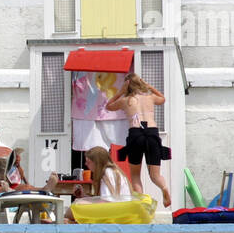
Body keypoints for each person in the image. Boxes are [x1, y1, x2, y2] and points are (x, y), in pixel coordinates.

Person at [106, 73, 172, 207]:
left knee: (135, 175)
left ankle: (142, 202)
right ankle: (164, 188)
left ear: (127, 85)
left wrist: (120, 92)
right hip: (152, 133)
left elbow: (109, 106)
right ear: (140, 84)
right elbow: (163, 99)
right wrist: (149, 87)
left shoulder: (125, 100)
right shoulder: (150, 97)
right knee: (155, 176)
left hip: (136, 134)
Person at [64, 146, 131, 223]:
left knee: (77, 204)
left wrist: (84, 200)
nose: (86, 164)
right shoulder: (112, 171)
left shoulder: (107, 173)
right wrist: (84, 196)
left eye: (88, 162)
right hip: (117, 209)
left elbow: (106, 202)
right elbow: (105, 199)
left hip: (115, 211)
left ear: (97, 162)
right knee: (79, 203)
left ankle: (67, 221)